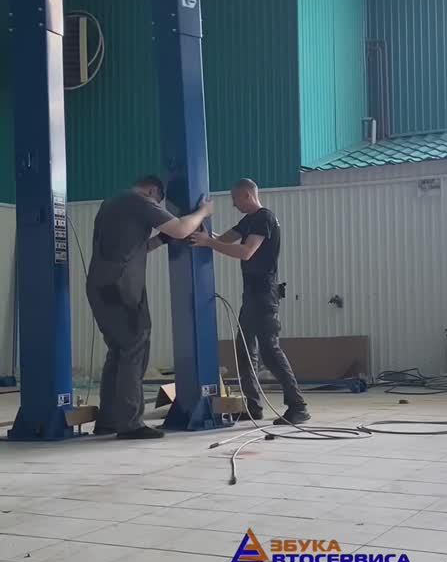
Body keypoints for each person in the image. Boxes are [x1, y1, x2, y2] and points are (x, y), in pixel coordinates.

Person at [86, 174, 215, 440]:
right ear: (153, 191)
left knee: (118, 351)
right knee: (135, 348)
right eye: (158, 202)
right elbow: (182, 229)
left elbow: (136, 247)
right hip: (122, 287)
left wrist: (162, 240)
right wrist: (203, 212)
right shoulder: (140, 201)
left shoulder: (110, 204)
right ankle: (130, 424)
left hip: (100, 287)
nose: (157, 207)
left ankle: (108, 420)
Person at [190, 179, 310, 425]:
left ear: (247, 195)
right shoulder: (248, 221)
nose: (234, 205)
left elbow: (246, 252)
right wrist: (201, 227)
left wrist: (209, 242)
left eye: (235, 199)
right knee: (244, 351)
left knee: (270, 351)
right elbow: (224, 239)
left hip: (264, 295)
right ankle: (253, 407)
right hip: (252, 296)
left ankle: (298, 407)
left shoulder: (264, 218)